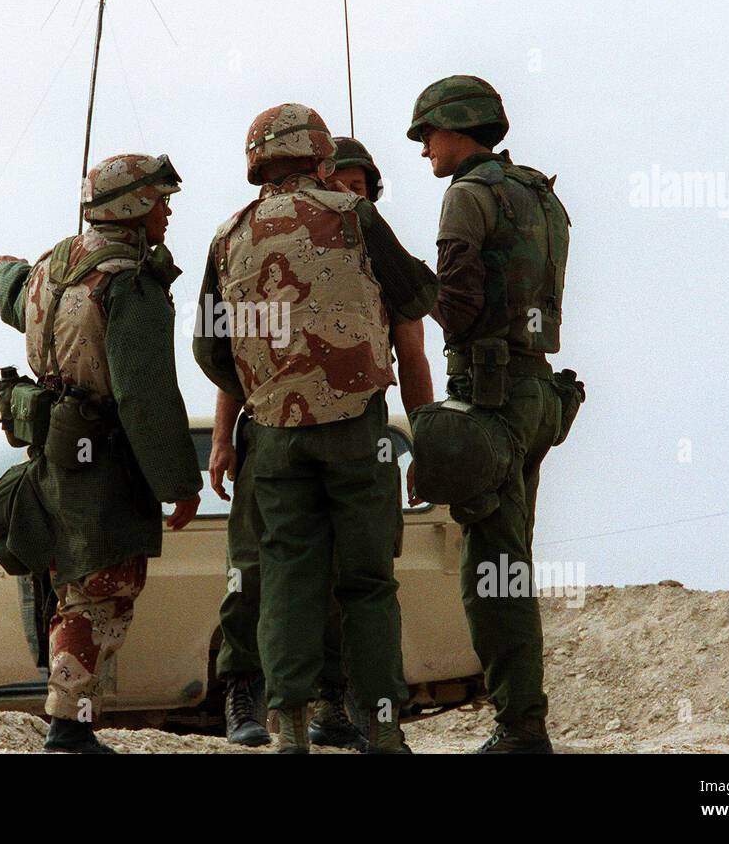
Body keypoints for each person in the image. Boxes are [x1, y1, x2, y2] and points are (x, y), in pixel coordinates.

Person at [194, 104, 437, 753]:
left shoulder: (229, 236)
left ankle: (293, 726)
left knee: (289, 579)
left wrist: (263, 388)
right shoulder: (354, 214)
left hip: (273, 436)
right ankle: (383, 725)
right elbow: (415, 296)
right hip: (355, 429)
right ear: (319, 154)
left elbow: (209, 352)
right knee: (366, 583)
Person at [0, 153, 202, 753]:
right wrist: (178, 482)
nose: (167, 210)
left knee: (72, 585)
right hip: (104, 458)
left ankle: (70, 723)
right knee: (100, 591)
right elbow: (146, 395)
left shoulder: (52, 268)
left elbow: (10, 293)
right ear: (131, 206)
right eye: (159, 199)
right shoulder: (131, 283)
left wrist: (3, 271)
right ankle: (69, 728)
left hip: (53, 453)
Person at [407, 75, 571, 754]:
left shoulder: (467, 196)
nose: (424, 153)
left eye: (428, 136)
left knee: (492, 571)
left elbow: (459, 304)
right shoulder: (537, 192)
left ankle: (521, 726)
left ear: (459, 128)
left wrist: (407, 288)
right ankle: (521, 718)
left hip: (491, 397)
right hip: (538, 392)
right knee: (514, 559)